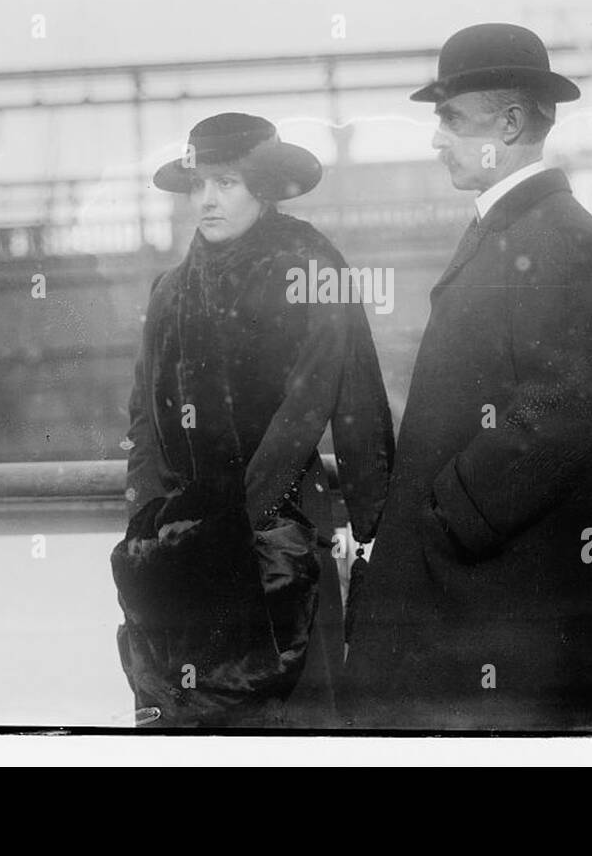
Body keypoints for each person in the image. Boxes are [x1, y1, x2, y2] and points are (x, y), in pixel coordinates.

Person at [343, 24, 592, 731]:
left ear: (512, 123)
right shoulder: (521, 227)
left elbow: (569, 403)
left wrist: (449, 513)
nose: (437, 140)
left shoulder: (559, 237)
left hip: (508, 592)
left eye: (453, 120)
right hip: (494, 590)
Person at [111, 112, 394, 728]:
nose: (206, 200)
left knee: (292, 726)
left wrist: (374, 538)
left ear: (262, 188)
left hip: (281, 537)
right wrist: (147, 529)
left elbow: (355, 403)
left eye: (227, 183)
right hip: (180, 553)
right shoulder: (170, 290)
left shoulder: (311, 267)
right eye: (198, 184)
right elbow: (144, 424)